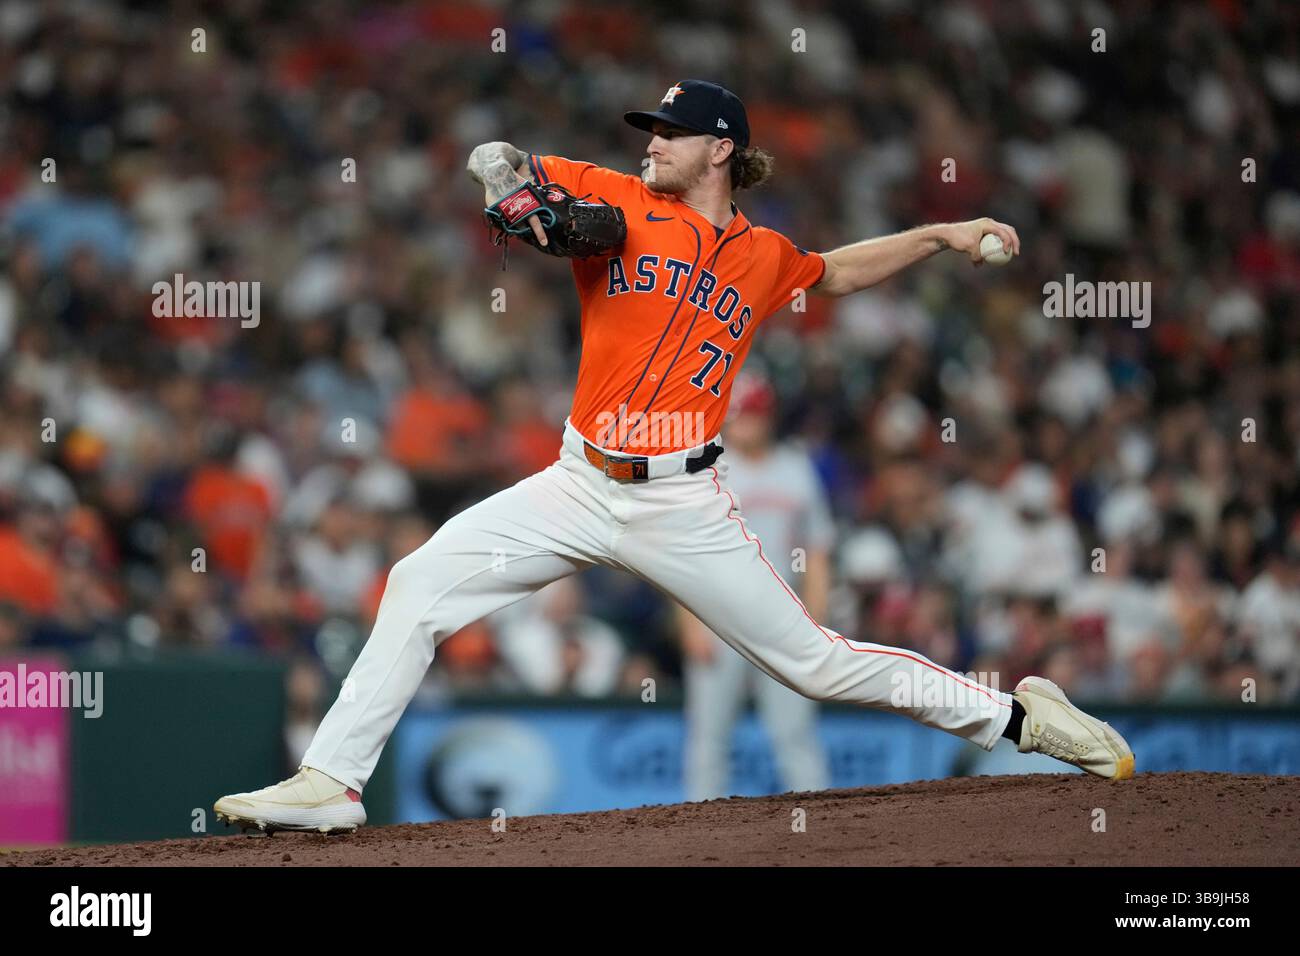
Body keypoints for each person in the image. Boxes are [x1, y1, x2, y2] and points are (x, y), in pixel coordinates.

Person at [215, 79, 1132, 834]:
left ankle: (1021, 717)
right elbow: (503, 161)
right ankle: (332, 783)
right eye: (649, 131)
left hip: (682, 501)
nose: (652, 143)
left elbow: (838, 270)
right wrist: (504, 183)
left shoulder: (762, 256)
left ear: (720, 149)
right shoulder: (615, 196)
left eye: (671, 132)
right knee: (417, 582)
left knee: (811, 663)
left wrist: (939, 235)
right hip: (576, 482)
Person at [678, 372, 832, 801]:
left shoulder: (796, 468)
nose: (745, 423)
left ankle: (815, 819)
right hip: (717, 616)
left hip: (782, 616)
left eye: (753, 414)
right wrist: (689, 623)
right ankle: (700, 827)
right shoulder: (706, 466)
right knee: (709, 734)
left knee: (795, 731)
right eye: (740, 415)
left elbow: (817, 550)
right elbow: (680, 554)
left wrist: (816, 619)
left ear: (769, 416)